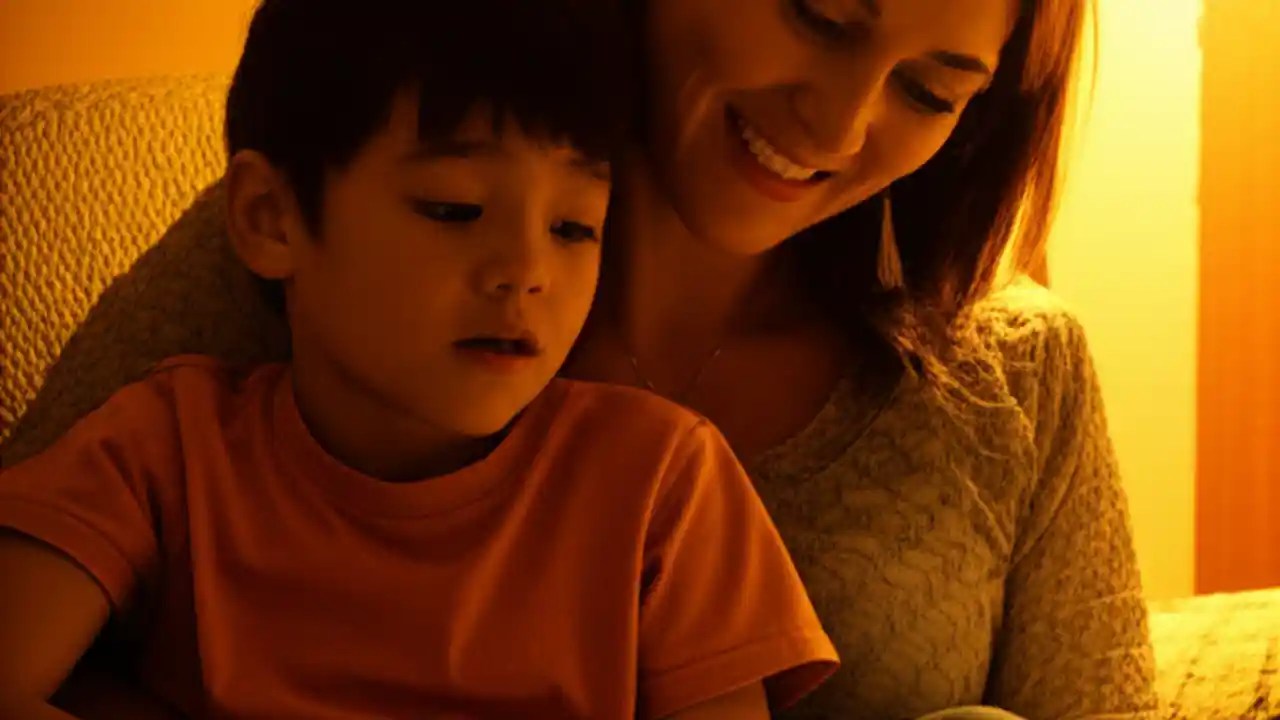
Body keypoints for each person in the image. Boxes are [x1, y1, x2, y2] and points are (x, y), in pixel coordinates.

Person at [1, 0, 1159, 717]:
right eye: (816, 13)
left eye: (927, 89)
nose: (838, 128)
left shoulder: (1013, 374)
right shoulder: (326, 222)